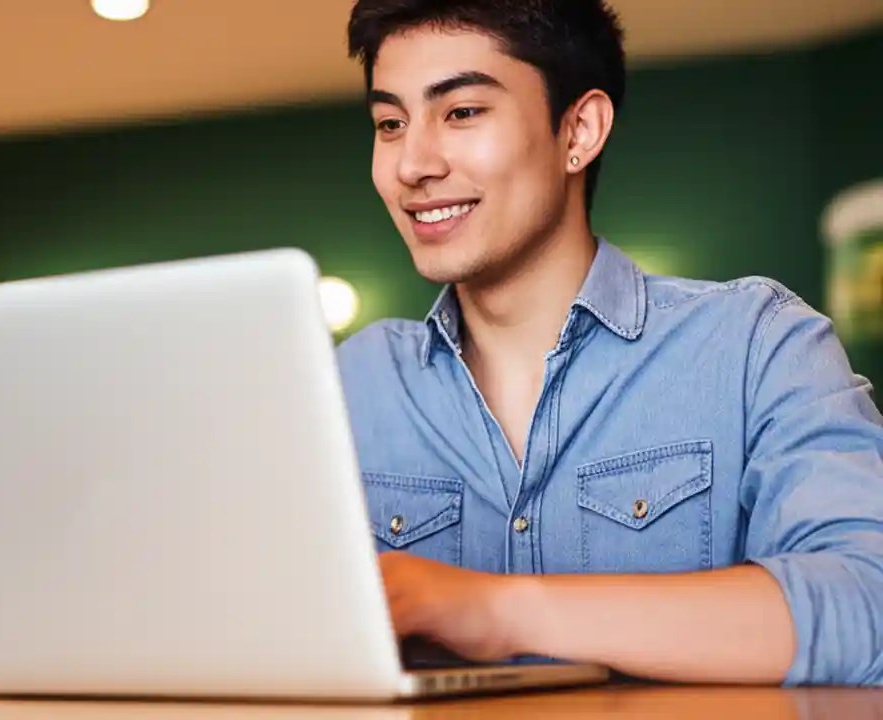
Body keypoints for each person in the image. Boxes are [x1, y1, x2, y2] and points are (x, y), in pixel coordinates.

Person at [335, 0, 883, 686]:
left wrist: (494, 609)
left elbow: (869, 606)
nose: (411, 164)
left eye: (462, 113)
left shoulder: (754, 344)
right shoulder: (345, 385)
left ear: (580, 129)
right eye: (390, 123)